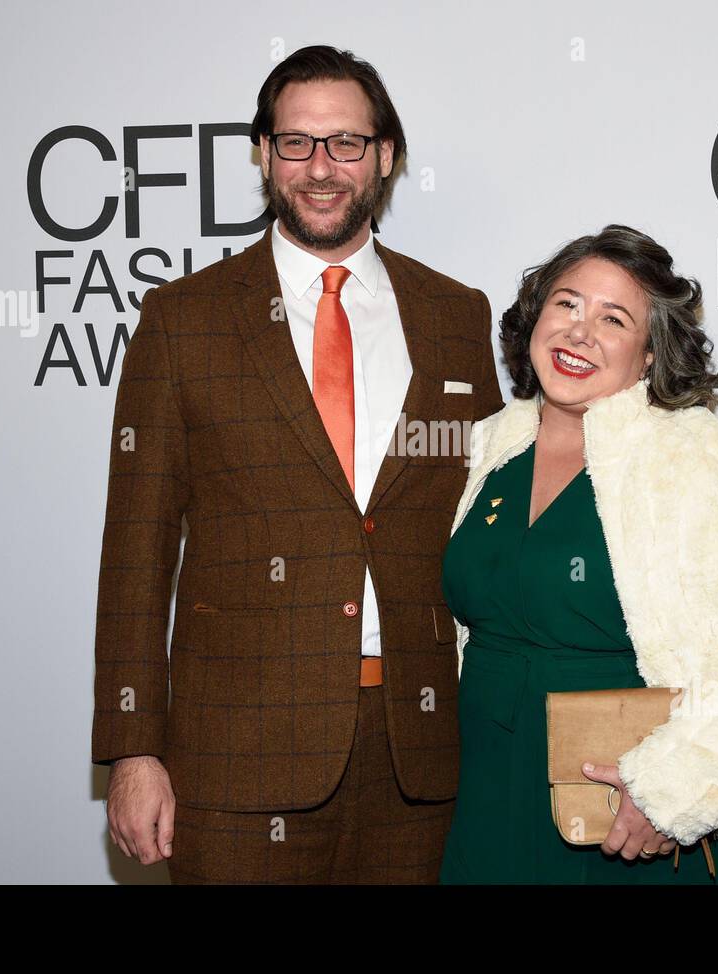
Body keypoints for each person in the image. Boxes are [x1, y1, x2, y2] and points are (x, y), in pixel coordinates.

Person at [91, 45, 502, 883]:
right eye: (296, 144)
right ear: (264, 155)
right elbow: (137, 549)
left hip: (420, 754)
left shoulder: (458, 315)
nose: (321, 168)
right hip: (235, 762)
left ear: (386, 156)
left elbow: (489, 525)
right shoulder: (184, 321)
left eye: (346, 143)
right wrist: (132, 752)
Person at [438, 224, 718, 884]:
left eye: (612, 318)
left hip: (638, 820)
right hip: (491, 796)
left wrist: (671, 791)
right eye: (566, 304)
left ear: (649, 354)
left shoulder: (708, 462)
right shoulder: (485, 450)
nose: (579, 331)